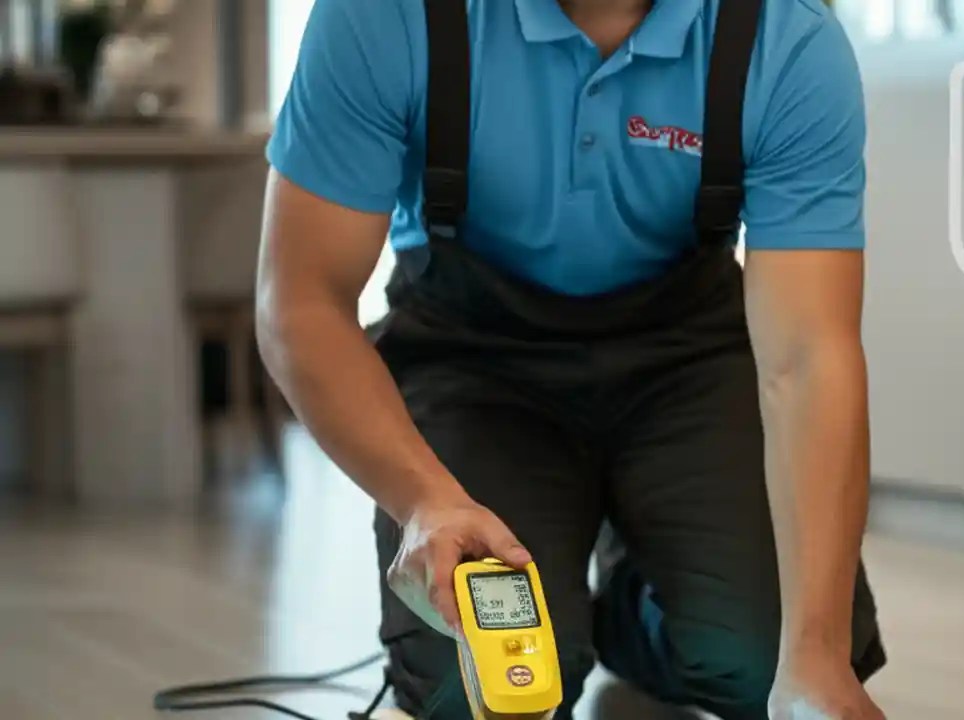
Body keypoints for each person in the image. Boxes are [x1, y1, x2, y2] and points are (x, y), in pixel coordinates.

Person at [256, 0, 886, 718]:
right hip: (472, 364)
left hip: (687, 360)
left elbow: (808, 355)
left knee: (768, 666)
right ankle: (561, 607)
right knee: (487, 687)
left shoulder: (783, 35)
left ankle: (628, 609)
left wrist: (816, 654)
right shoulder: (387, 15)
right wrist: (426, 500)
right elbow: (301, 302)